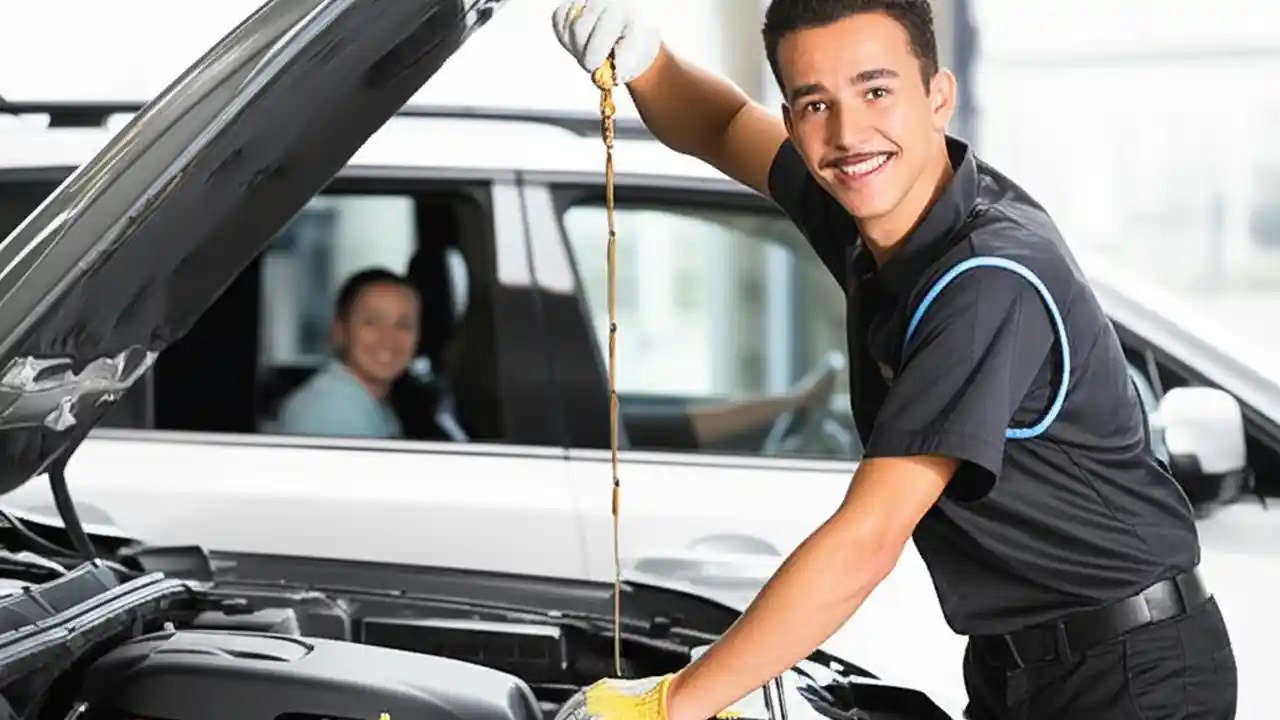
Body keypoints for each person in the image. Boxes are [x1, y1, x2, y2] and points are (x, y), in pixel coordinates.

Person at [549, 1, 1236, 719]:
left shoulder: (987, 280)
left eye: (876, 90)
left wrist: (672, 704)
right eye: (817, 104)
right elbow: (723, 126)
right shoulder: (868, 202)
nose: (848, 133)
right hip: (1019, 665)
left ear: (938, 96)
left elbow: (868, 539)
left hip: (1135, 676)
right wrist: (648, 60)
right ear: (792, 121)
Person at [277, 268, 422, 439]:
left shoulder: (368, 402)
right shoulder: (330, 411)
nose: (388, 338)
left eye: (403, 325)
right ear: (340, 331)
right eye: (372, 323)